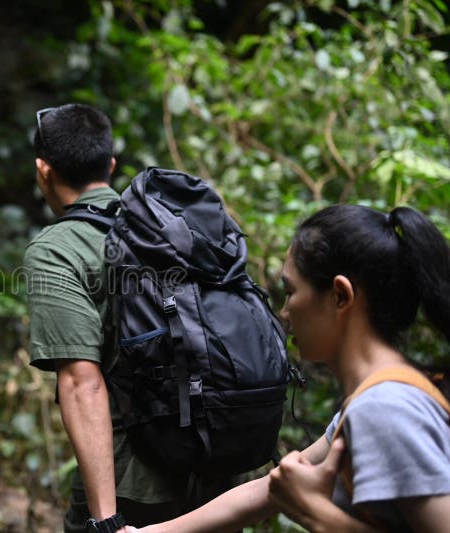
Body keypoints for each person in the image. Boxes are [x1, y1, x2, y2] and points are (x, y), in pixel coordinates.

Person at [126, 204, 450, 532]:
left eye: (291, 291)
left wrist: (312, 511)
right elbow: (265, 491)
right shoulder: (372, 401)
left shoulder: (382, 408)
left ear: (340, 296)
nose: (283, 312)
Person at [24, 103, 215, 532]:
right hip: (220, 469)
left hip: (134, 482)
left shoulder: (58, 249)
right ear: (109, 165)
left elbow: (80, 381)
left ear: (43, 169)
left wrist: (107, 520)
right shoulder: (173, 227)